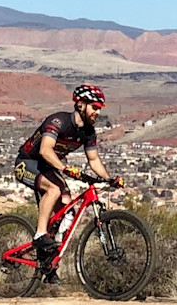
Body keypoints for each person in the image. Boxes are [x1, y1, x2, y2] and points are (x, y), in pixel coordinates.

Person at [12, 84, 123, 284]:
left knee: (67, 210)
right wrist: (64, 169)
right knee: (53, 190)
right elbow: (46, 150)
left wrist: (109, 179)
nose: (98, 112)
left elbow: (94, 160)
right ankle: (39, 235)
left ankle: (48, 263)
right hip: (27, 162)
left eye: (99, 109)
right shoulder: (59, 121)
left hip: (48, 167)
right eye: (95, 107)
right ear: (81, 105)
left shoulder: (89, 132)